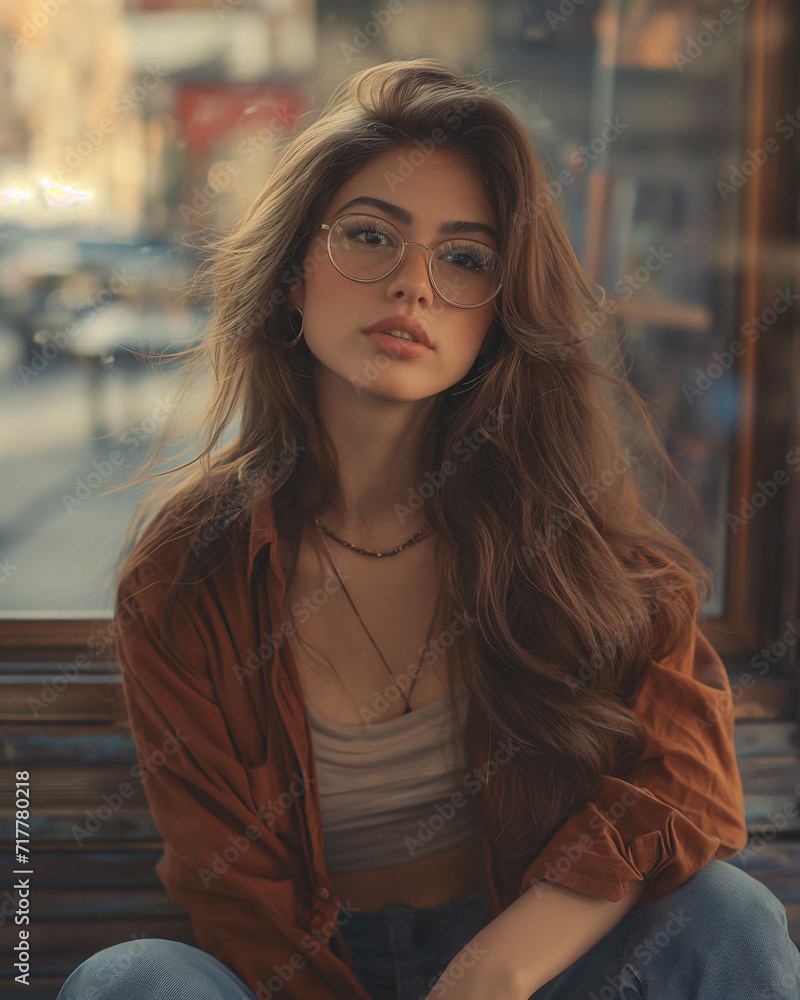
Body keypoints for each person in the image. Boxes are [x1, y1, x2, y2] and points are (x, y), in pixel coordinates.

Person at [58, 58, 800, 1000]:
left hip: (532, 956)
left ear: (499, 313)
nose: (414, 284)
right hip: (303, 973)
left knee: (727, 919)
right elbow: (232, 893)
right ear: (293, 275)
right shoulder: (186, 576)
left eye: (465, 258)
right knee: (130, 981)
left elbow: (687, 779)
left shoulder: (567, 538)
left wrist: (498, 967)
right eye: (370, 236)